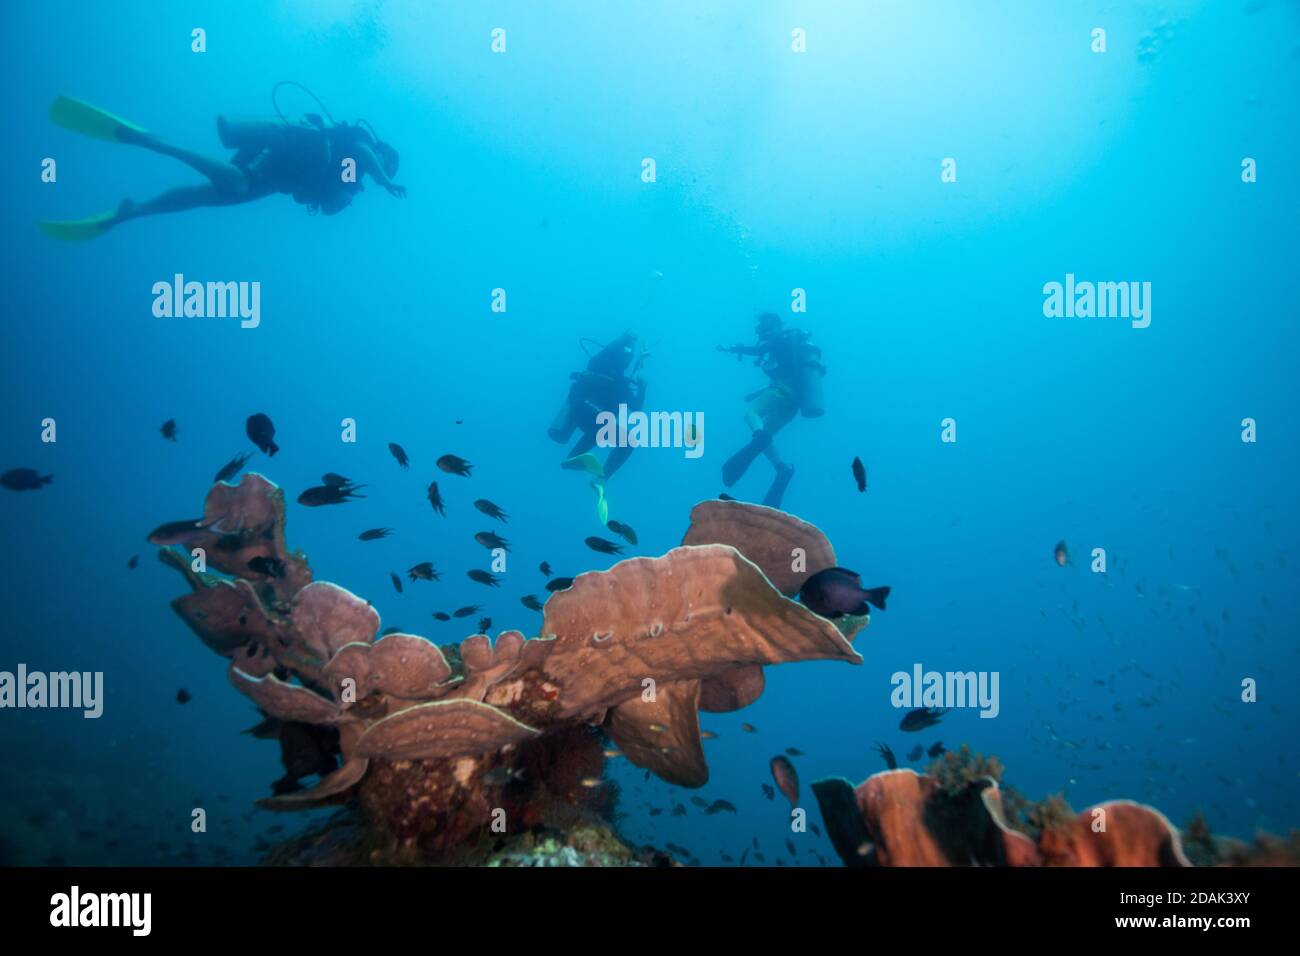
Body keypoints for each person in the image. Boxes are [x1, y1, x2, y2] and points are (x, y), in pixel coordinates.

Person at [39, 94, 404, 240]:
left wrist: (344, 195)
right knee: (233, 182)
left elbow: (326, 203)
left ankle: (135, 210)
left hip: (275, 179)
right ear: (383, 155)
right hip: (272, 156)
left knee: (209, 197)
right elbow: (362, 153)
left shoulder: (352, 175)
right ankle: (154, 142)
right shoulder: (362, 146)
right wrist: (385, 180)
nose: (378, 174)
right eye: (385, 166)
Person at [716, 312, 825, 509]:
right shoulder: (794, 348)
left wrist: (733, 349)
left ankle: (759, 438)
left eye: (766, 328)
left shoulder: (781, 339)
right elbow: (786, 374)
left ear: (775, 326)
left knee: (751, 415)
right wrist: (758, 392)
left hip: (782, 393)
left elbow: (759, 350)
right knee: (766, 435)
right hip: (794, 404)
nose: (764, 332)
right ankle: (782, 468)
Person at [548, 332, 648, 521]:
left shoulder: (620, 379)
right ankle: (576, 460)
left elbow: (635, 408)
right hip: (584, 409)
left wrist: (642, 387)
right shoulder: (605, 361)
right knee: (601, 427)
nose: (628, 358)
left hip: (594, 418)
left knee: (626, 440)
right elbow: (588, 376)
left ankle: (599, 477)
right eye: (628, 353)